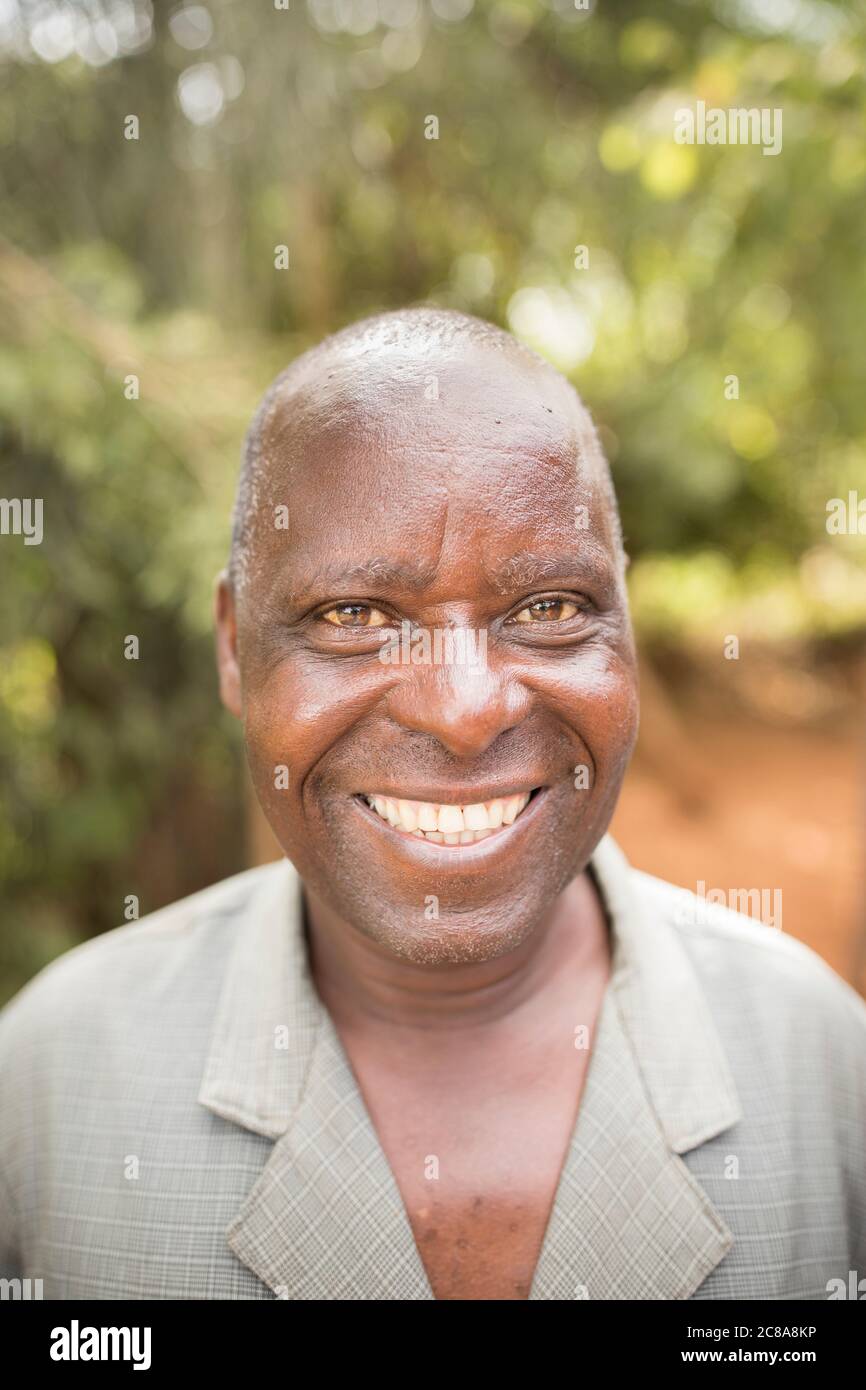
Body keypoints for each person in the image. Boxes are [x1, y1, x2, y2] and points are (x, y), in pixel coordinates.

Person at [1, 308, 863, 1301]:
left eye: (546, 608)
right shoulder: (48, 1092)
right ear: (235, 648)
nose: (461, 711)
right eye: (354, 615)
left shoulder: (822, 1072)